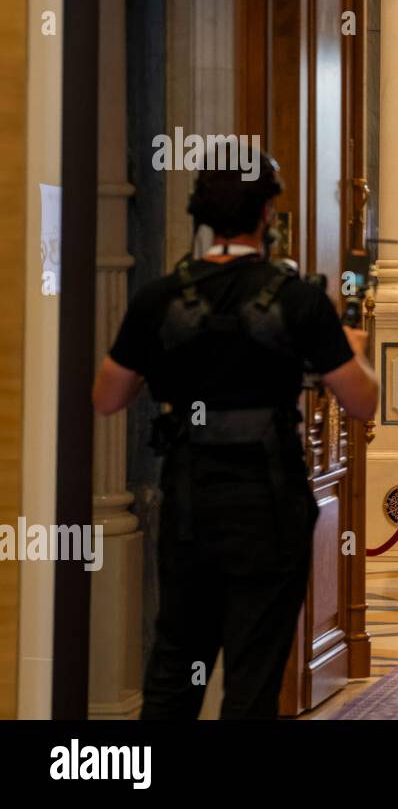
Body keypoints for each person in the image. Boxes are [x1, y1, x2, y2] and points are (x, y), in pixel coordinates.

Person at [91, 151, 378, 719]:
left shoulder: (160, 298)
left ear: (200, 212)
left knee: (174, 668)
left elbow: (106, 397)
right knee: (253, 681)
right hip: (270, 505)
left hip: (190, 502)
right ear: (267, 212)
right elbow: (361, 401)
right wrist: (355, 348)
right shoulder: (298, 299)